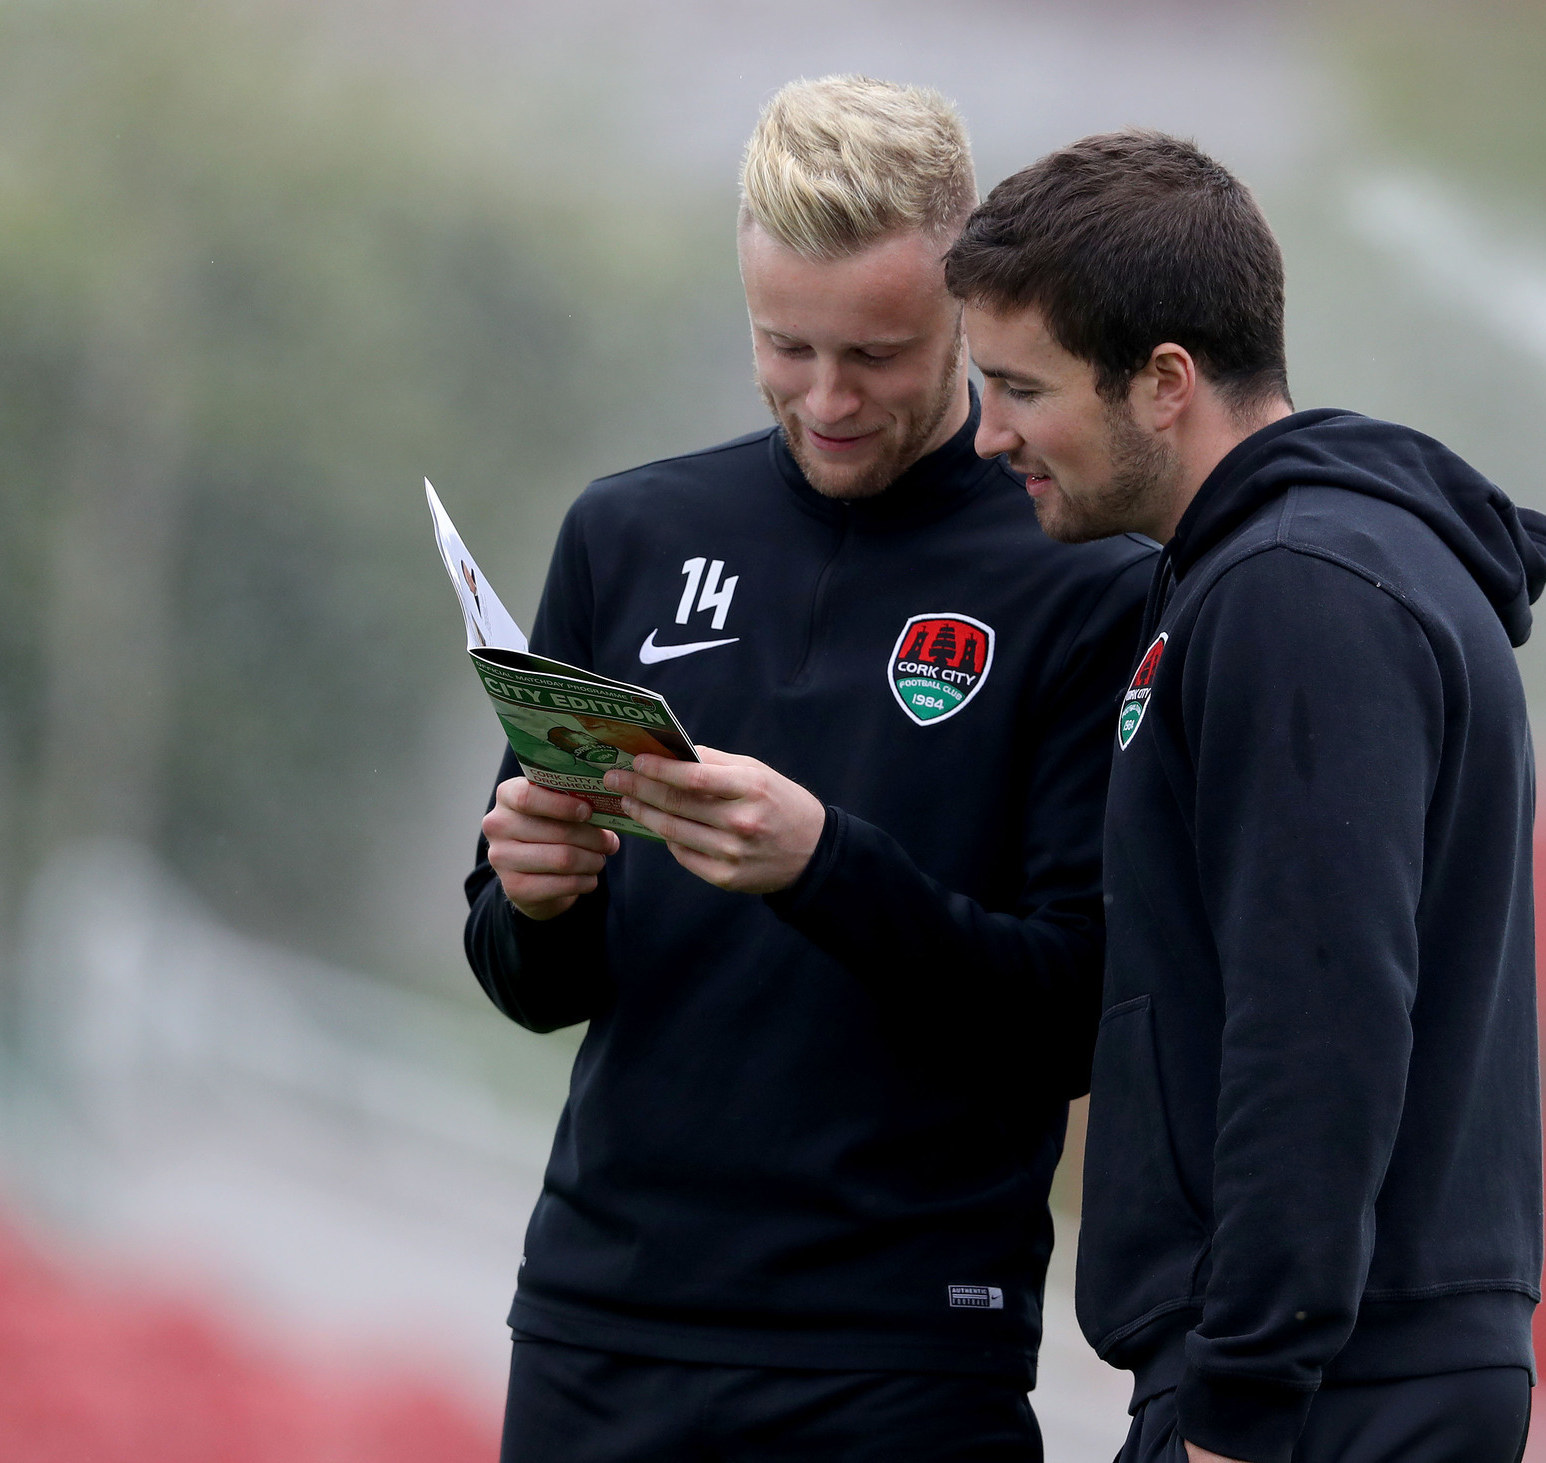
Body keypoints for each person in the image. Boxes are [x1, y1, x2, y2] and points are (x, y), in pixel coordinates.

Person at [464, 79, 1153, 1462]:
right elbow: (530, 984)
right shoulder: (629, 531)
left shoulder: (1090, 578)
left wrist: (826, 868)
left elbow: (1075, 1014)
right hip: (601, 1334)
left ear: (966, 305)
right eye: (787, 348)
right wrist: (530, 898)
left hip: (900, 1361)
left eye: (880, 355)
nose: (827, 399)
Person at [946, 132, 1546, 1463]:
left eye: (1018, 388)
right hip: (1316, 1380)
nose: (989, 433)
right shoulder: (1267, 576)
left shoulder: (1301, 594)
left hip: (1314, 1396)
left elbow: (1320, 1021)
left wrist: (1237, 1404)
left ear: (1164, 383)